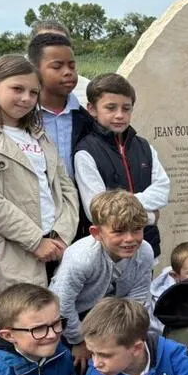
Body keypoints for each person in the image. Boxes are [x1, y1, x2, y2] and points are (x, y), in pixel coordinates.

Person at [0, 54, 80, 297]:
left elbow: (65, 188)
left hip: (57, 246)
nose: (26, 98)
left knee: (55, 323)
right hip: (15, 252)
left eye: (33, 92)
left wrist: (61, 235)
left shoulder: (38, 134)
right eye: (17, 89)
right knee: (22, 325)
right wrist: (35, 241)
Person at [49, 189, 155, 374]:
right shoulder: (81, 258)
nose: (129, 239)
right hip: (72, 318)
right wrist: (80, 341)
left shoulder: (144, 252)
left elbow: (137, 298)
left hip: (112, 316)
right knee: (77, 368)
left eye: (137, 230)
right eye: (119, 231)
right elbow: (62, 304)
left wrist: (127, 335)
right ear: (97, 233)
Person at [73, 73, 170, 258]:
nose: (120, 115)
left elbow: (162, 191)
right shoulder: (86, 152)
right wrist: (149, 217)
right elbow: (98, 209)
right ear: (92, 109)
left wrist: (121, 208)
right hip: (109, 251)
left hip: (147, 245)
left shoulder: (143, 146)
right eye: (111, 108)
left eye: (126, 108)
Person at [29, 32, 93, 181]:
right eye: (57, 67)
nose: (68, 72)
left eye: (72, 66)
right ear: (35, 70)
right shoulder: (23, 118)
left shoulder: (87, 120)